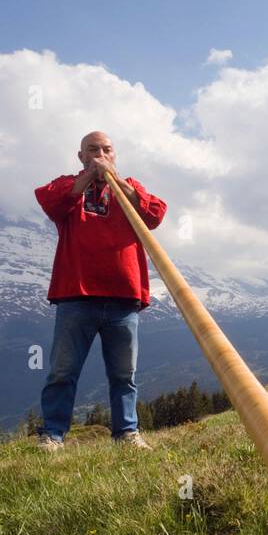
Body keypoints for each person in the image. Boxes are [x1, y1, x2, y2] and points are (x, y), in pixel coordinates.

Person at [33, 131, 167, 451]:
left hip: (123, 296)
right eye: (92, 150)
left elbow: (155, 214)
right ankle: (53, 434)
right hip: (76, 294)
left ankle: (127, 433)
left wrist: (117, 182)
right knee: (63, 371)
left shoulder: (129, 187)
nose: (100, 155)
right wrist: (91, 176)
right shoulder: (67, 185)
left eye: (106, 150)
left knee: (124, 373)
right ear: (80, 156)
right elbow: (52, 202)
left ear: (115, 155)